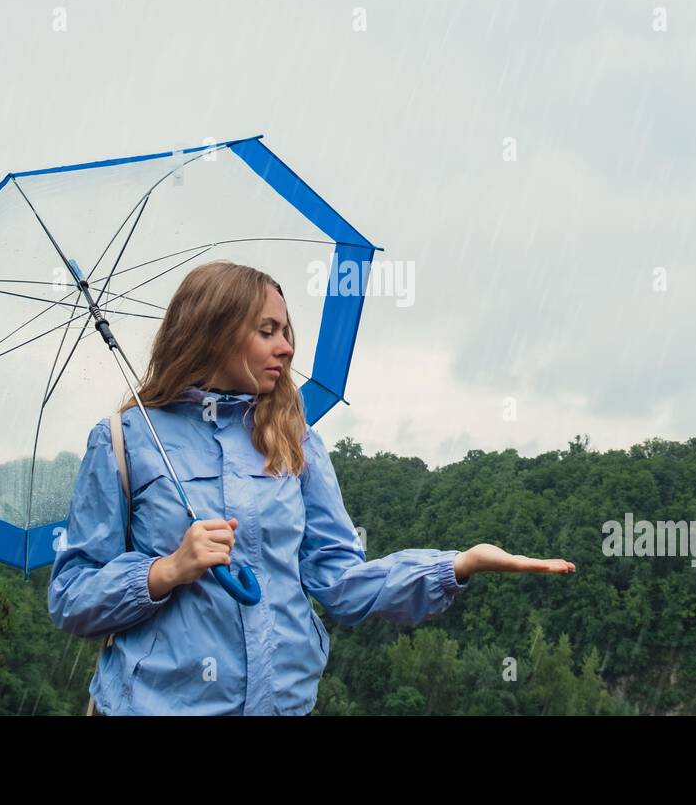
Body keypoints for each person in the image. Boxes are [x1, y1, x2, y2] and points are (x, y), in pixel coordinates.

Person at [47, 260, 575, 715]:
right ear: (213, 332)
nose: (287, 348)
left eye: (286, 330)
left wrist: (457, 565)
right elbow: (71, 597)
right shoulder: (124, 439)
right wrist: (164, 572)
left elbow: (341, 584)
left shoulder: (294, 441)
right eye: (267, 331)